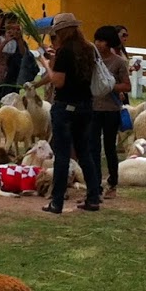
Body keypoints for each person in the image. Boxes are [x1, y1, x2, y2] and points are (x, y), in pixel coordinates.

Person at [36, 13, 103, 214]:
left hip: (65, 106)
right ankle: (93, 197)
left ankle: (56, 201)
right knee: (84, 153)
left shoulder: (65, 51)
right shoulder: (88, 49)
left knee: (62, 155)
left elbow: (58, 81)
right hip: (85, 105)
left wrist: (46, 63)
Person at [92, 25, 132, 198]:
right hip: (93, 108)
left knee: (109, 148)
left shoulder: (119, 62)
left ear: (109, 42)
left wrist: (109, 87)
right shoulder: (92, 61)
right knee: (93, 148)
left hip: (111, 110)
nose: (98, 43)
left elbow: (127, 86)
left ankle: (112, 183)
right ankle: (95, 184)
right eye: (97, 40)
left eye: (102, 40)